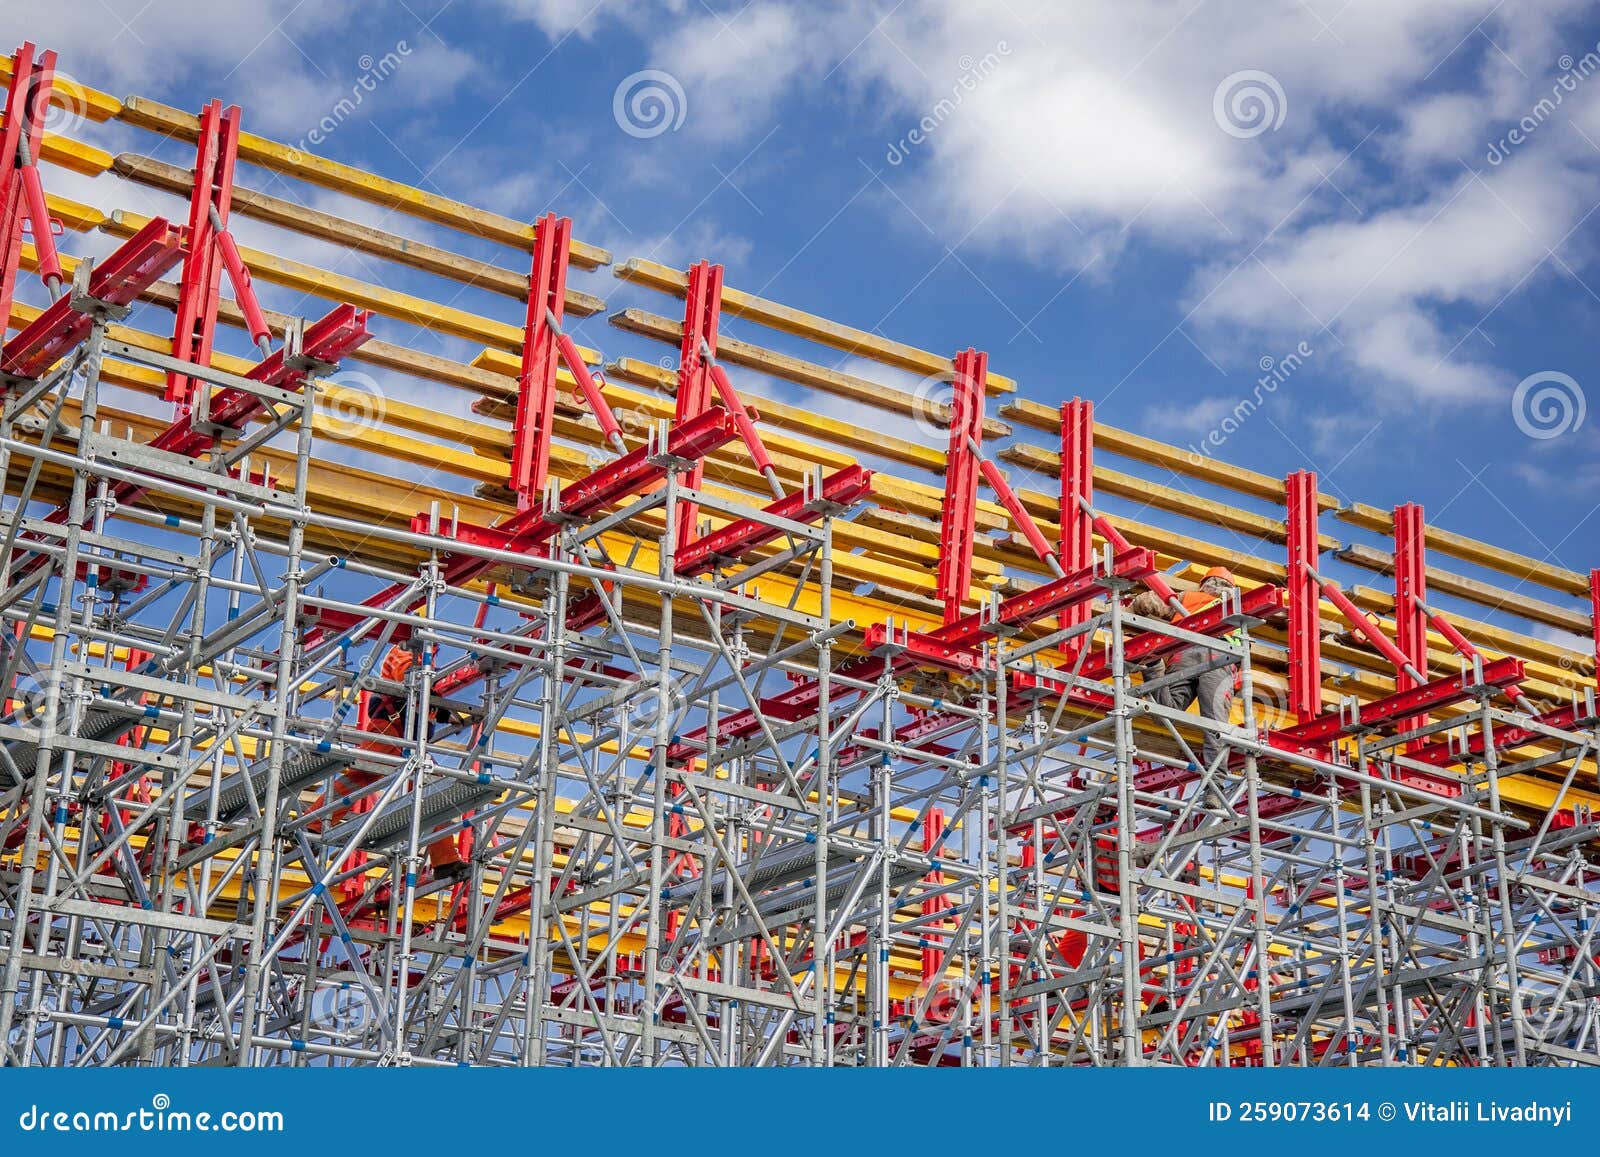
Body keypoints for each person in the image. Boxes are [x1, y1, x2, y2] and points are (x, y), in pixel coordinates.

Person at [1140, 567, 1242, 771]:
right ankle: (1216, 785)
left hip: (1182, 654)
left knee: (1164, 715)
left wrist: (1125, 609)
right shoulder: (1238, 609)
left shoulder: (1187, 597)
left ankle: (1154, 667)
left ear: (1204, 583)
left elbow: (1148, 602)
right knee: (1215, 726)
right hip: (1219, 660)